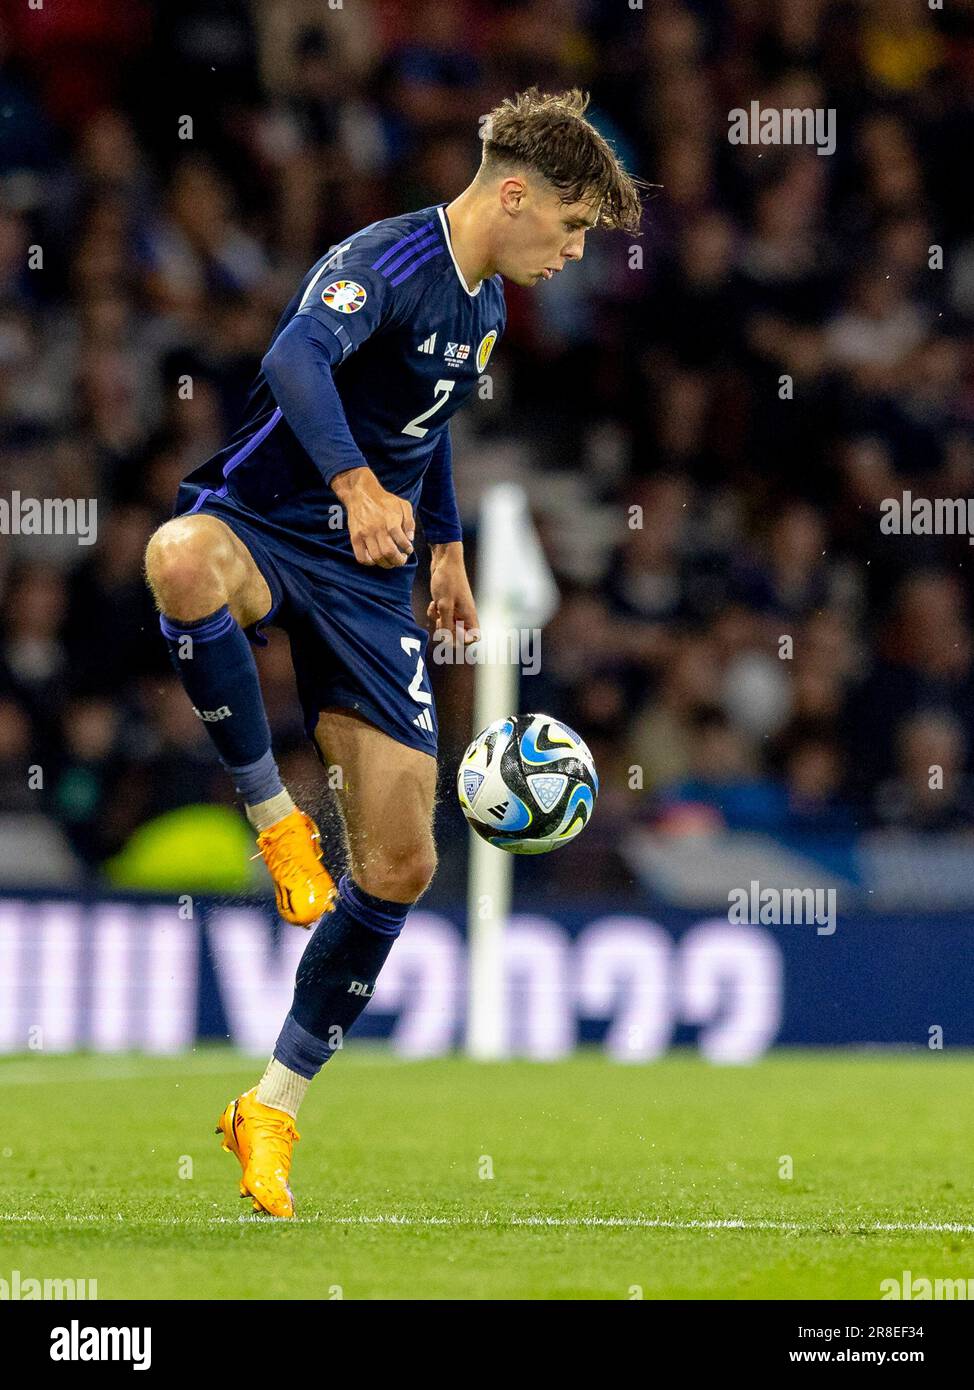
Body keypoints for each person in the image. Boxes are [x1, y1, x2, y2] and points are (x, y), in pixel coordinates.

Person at [143, 87, 643, 1218]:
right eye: (568, 229)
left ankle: (268, 1107)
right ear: (512, 194)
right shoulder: (386, 255)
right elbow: (292, 363)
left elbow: (428, 423)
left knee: (403, 863)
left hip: (372, 583)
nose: (572, 254)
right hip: (273, 523)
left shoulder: (484, 310)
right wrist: (357, 485)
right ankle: (275, 818)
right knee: (176, 561)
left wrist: (450, 546)